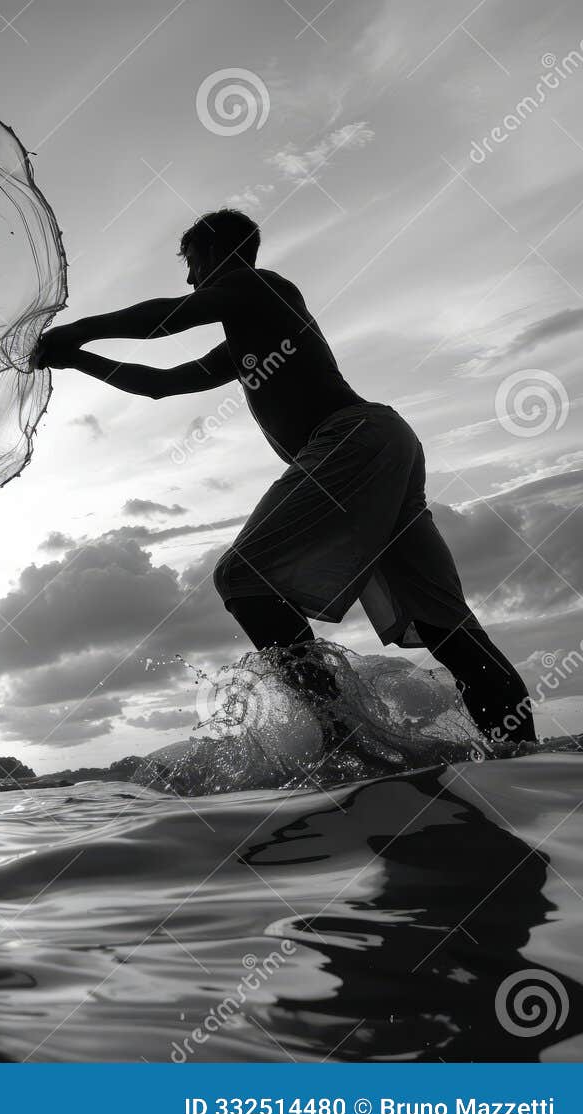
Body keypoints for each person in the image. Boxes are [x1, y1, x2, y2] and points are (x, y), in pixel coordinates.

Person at [31, 208, 535, 744]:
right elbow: (162, 384)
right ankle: (522, 754)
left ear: (217, 253)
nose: (191, 278)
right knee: (441, 621)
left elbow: (167, 318)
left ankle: (344, 736)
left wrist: (74, 332)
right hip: (384, 444)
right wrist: (77, 360)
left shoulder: (258, 286)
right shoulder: (248, 333)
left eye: (192, 262)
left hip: (353, 438)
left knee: (242, 576)